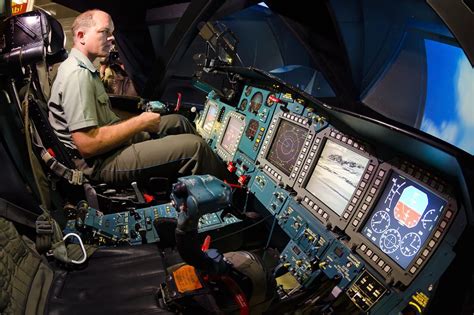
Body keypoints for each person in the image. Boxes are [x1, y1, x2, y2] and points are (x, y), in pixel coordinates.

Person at [48, 9, 227, 186]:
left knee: (179, 122)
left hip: (106, 149)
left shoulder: (84, 69)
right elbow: (88, 145)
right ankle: (228, 198)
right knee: (196, 148)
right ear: (81, 36)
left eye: (112, 33)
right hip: (98, 163)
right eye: (104, 32)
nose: (111, 38)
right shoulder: (77, 75)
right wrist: (139, 123)